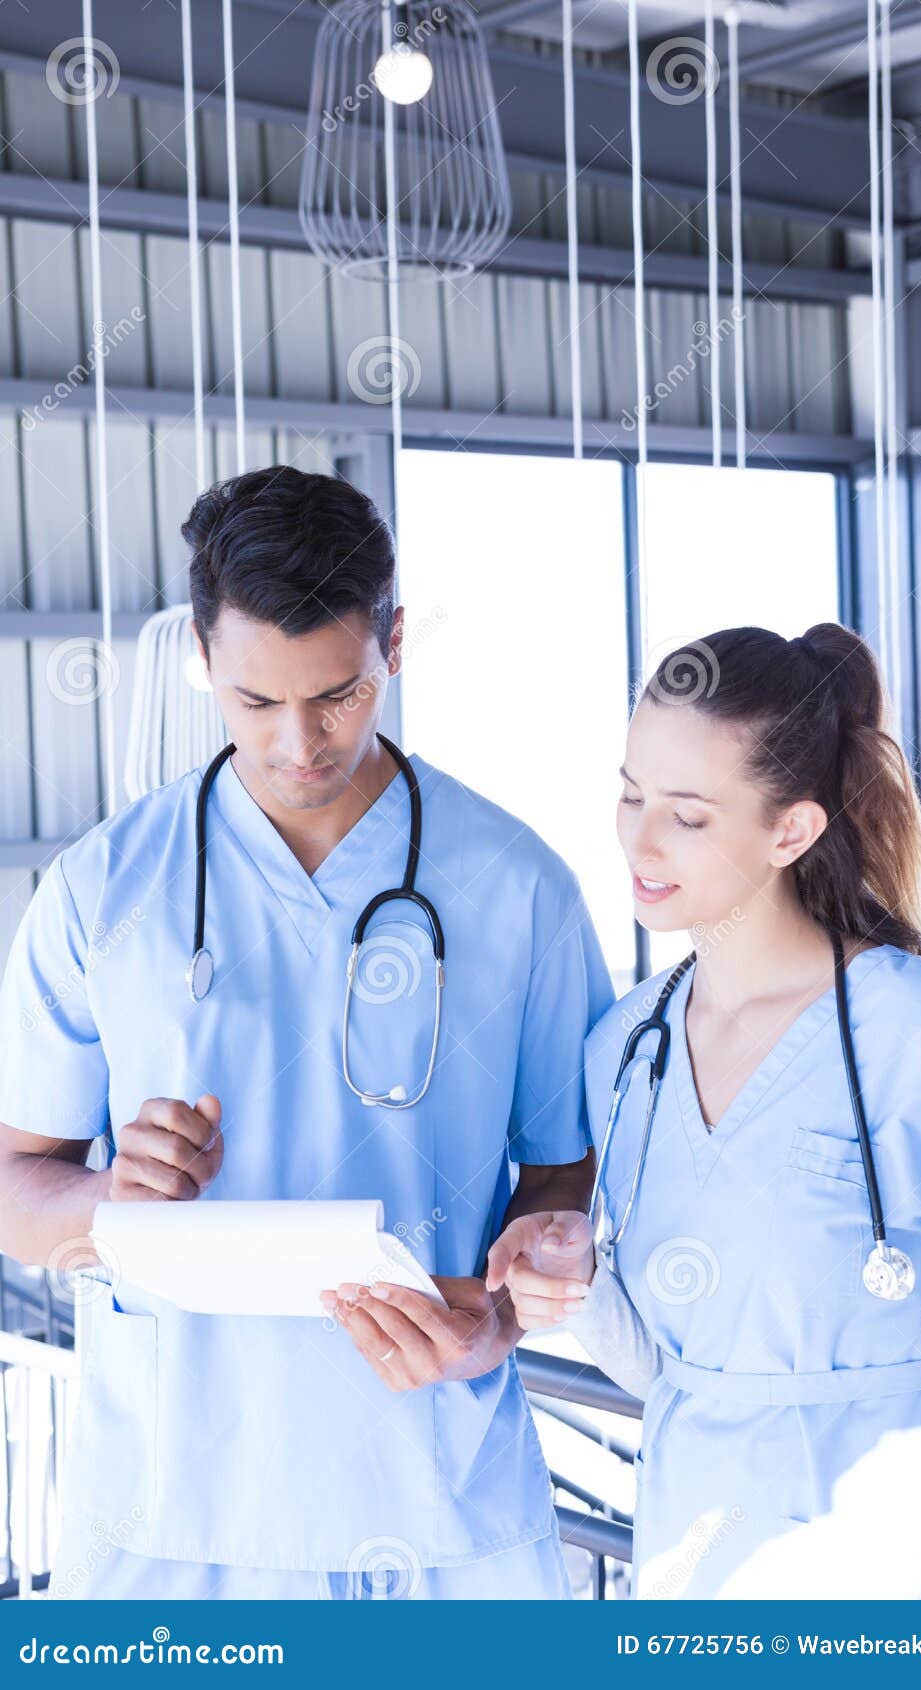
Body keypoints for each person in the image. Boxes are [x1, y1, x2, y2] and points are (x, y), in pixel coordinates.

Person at [0, 465, 613, 1601]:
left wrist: (507, 1309)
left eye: (336, 693)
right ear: (201, 655)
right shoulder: (104, 887)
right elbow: (17, 1189)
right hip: (167, 1519)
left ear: (391, 640)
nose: (297, 742)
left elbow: (563, 1170)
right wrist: (111, 1201)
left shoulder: (515, 885)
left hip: (438, 1501)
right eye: (254, 702)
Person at [488, 623, 921, 1601]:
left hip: (890, 1559)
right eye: (630, 793)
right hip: (692, 1555)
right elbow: (673, 1374)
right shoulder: (626, 1047)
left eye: (688, 814)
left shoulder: (904, 1023)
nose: (638, 838)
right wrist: (571, 1278)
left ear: (789, 831)